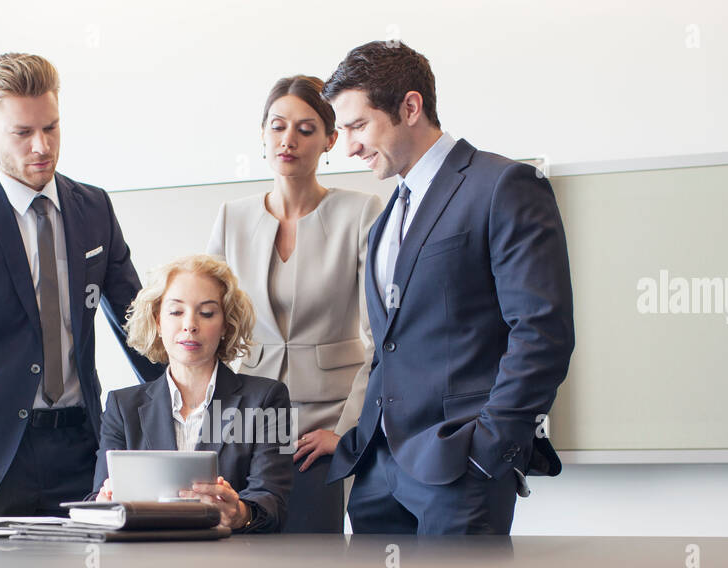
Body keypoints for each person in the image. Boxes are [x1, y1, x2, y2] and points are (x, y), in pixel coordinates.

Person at [321, 41, 574, 535]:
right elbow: (390, 348)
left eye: (356, 126)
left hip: (462, 471)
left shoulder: (503, 185)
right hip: (376, 477)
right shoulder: (385, 218)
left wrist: (490, 449)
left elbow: (542, 334)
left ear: (410, 107)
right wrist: (358, 440)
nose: (348, 146)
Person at [0, 53, 161, 524]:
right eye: (22, 133)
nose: (42, 146)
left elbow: (137, 323)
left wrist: (193, 407)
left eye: (52, 128)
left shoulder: (94, 208)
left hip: (81, 449)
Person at [207, 76, 381, 533]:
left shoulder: (361, 213)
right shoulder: (233, 216)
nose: (289, 140)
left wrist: (347, 432)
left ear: (329, 139)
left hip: (327, 417)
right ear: (262, 134)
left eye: (306, 129)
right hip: (249, 420)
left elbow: (381, 337)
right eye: (278, 126)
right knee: (245, 553)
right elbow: (209, 324)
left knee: (312, 556)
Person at [91, 255, 293, 533]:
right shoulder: (121, 406)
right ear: (157, 321)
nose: (190, 325)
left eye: (207, 313)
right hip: (145, 562)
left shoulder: (271, 398)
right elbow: (96, 500)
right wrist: (104, 504)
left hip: (233, 562)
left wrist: (239, 513)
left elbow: (274, 505)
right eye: (176, 312)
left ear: (225, 324)